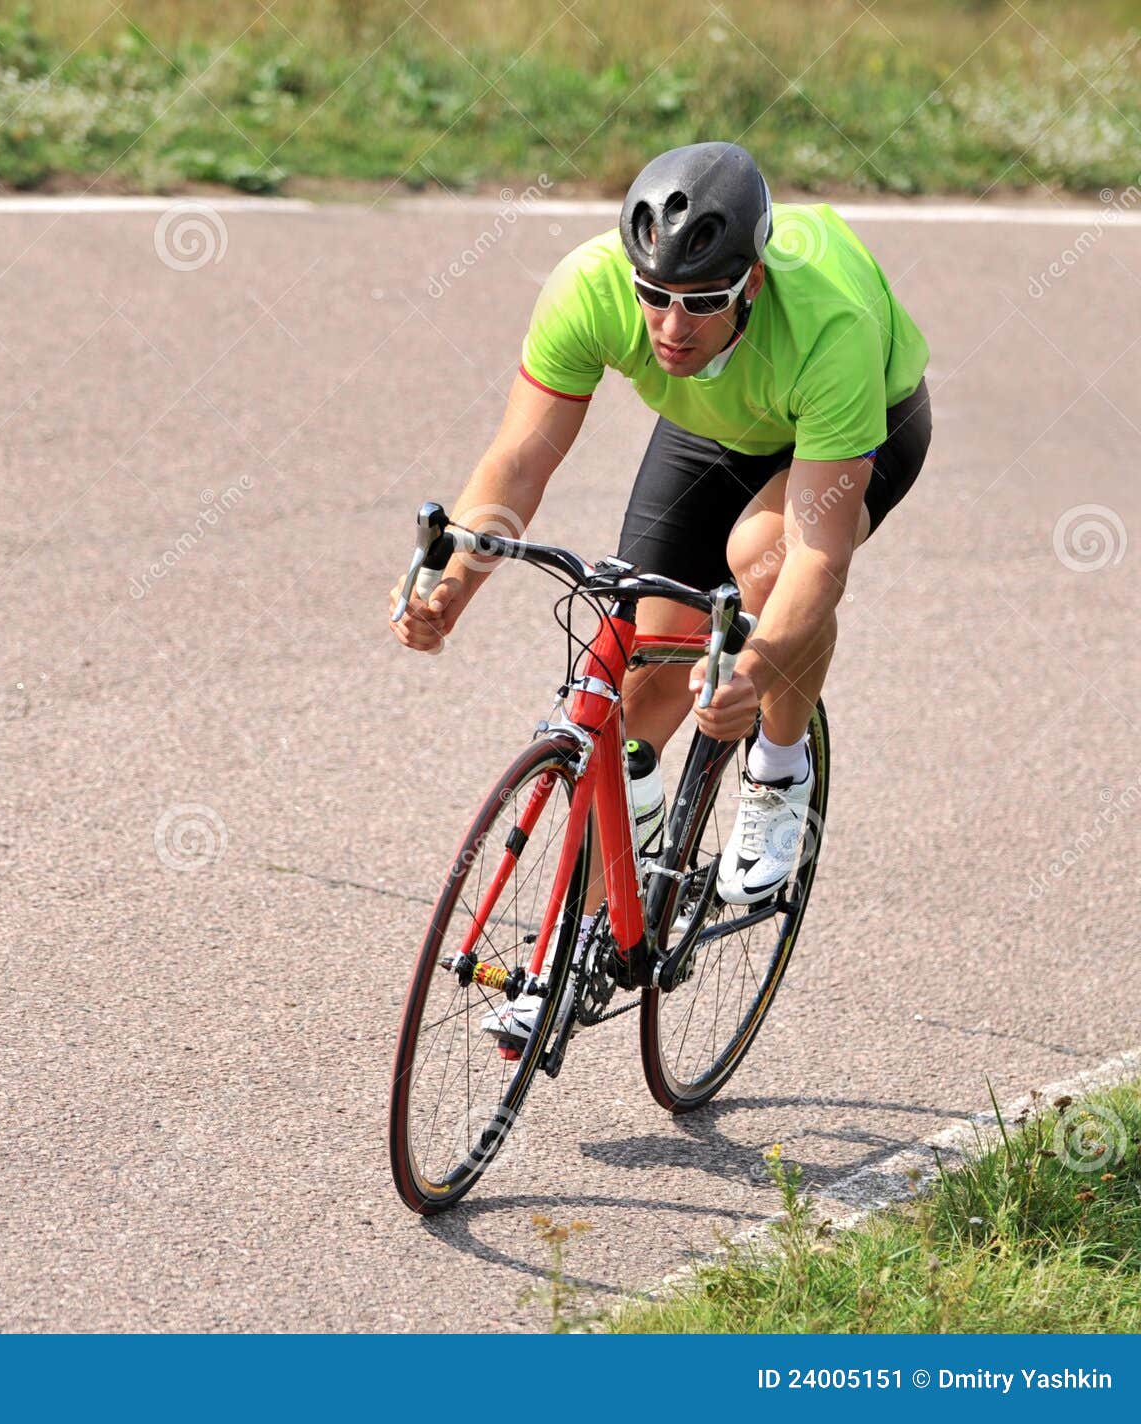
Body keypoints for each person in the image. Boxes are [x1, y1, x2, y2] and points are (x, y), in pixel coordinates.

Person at [387, 142, 931, 1039]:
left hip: (854, 420)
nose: (672, 327)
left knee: (763, 553)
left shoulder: (828, 323)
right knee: (637, 692)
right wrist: (450, 587)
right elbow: (521, 459)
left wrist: (754, 667)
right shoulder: (592, 285)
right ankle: (568, 946)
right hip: (712, 427)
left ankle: (778, 775)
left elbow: (817, 555)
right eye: (656, 298)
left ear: (751, 283)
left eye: (703, 302)